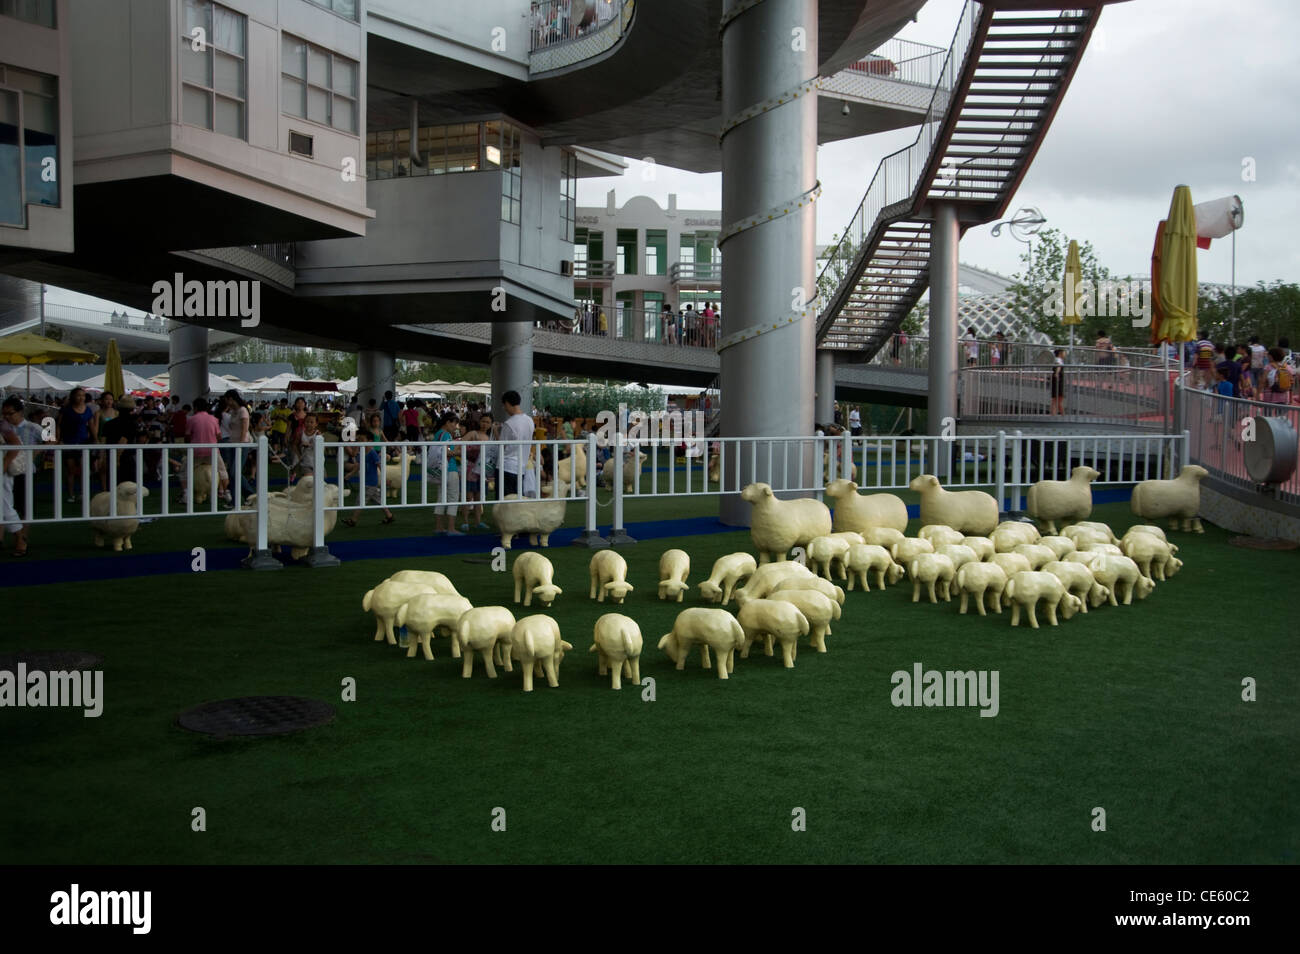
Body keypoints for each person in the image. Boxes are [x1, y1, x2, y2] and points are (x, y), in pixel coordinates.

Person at [57, 386, 97, 504]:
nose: (81, 398)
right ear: (73, 396)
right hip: (69, 442)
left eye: (83, 396)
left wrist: (96, 439)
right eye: (79, 395)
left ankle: (83, 493)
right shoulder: (66, 409)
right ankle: (71, 494)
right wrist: (58, 439)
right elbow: (58, 425)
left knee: (84, 470)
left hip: (83, 442)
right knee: (70, 470)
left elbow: (91, 425)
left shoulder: (88, 410)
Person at [1, 396, 30, 556]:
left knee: (4, 505)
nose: (6, 416)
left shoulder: (3, 425)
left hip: (4, 470)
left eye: (9, 413)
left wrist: (3, 466)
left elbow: (15, 445)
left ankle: (20, 538)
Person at [185, 398, 228, 502]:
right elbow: (219, 436)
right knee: (222, 471)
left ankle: (185, 493)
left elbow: (187, 437)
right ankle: (226, 492)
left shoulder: (191, 419)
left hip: (196, 452)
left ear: (195, 407)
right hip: (212, 451)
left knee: (184, 471)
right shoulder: (214, 419)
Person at [430, 411, 464, 535]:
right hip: (450, 469)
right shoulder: (446, 435)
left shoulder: (438, 434)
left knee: (441, 498)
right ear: (448, 422)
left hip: (440, 470)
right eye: (454, 424)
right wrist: (460, 452)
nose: (455, 427)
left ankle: (439, 527)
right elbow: (447, 451)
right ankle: (451, 528)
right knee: (453, 498)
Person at [459, 411, 493, 532]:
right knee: (468, 497)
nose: (485, 424)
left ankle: (478, 522)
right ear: (479, 422)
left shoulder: (491, 437)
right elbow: (460, 443)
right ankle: (465, 522)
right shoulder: (473, 434)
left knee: (479, 498)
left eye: (488, 422)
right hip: (470, 470)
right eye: (483, 421)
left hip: (482, 471)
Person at [498, 390, 534, 498]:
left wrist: (496, 432)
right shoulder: (530, 421)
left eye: (504, 405)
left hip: (506, 466)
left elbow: (502, 446)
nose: (504, 408)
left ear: (508, 403)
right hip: (521, 467)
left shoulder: (509, 423)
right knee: (517, 502)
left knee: (504, 503)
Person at [1050, 349, 1066, 415]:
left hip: (1055, 381)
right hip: (1058, 381)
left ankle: (1053, 415)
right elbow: (1058, 366)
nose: (1065, 354)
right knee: (1059, 399)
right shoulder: (1059, 360)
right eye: (1064, 353)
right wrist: (1057, 373)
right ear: (1060, 353)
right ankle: (1063, 416)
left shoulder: (1056, 360)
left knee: (1054, 400)